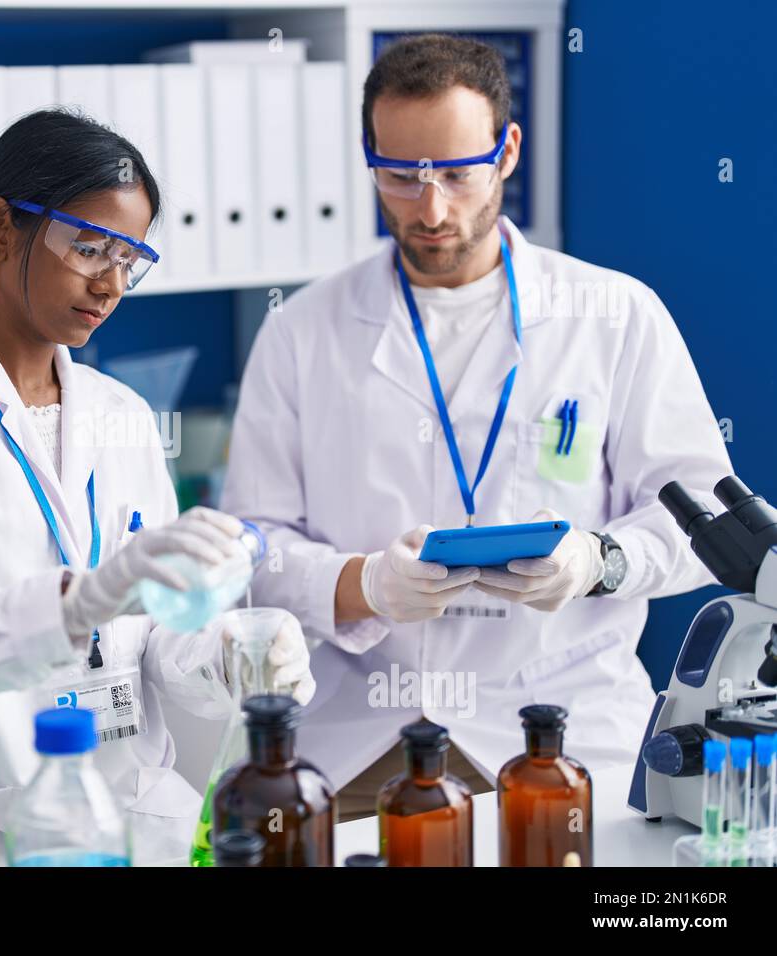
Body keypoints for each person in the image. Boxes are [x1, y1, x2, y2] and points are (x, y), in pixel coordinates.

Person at [221, 35, 732, 820]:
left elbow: (703, 514)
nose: (431, 209)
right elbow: (252, 546)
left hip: (560, 734)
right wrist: (363, 586)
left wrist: (600, 560)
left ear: (508, 151)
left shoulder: (615, 315)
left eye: (458, 173)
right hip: (362, 741)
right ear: (371, 158)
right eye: (400, 175)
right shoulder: (302, 330)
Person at [0, 109, 315, 863]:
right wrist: (70, 606)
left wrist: (229, 653)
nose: (111, 284)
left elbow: (154, 638)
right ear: (0, 228)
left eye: (130, 258)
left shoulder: (124, 416)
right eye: (89, 249)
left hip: (124, 825)